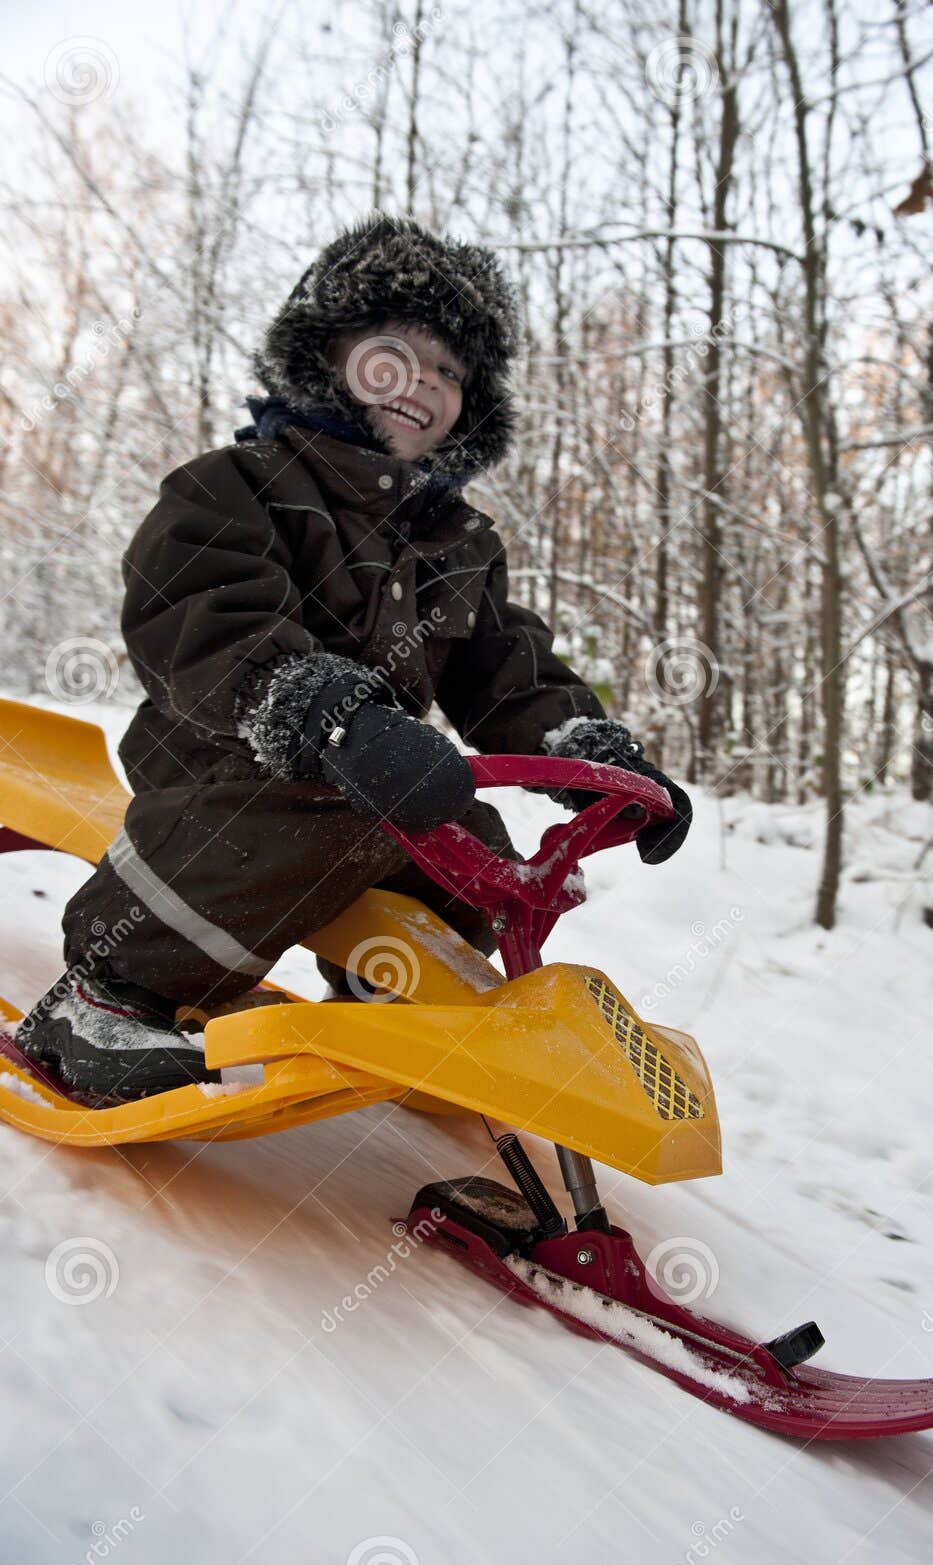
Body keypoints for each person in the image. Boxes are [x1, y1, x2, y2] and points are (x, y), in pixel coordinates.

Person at [15, 212, 692, 1100]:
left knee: (470, 850)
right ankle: (108, 995)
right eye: (397, 353)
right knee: (325, 818)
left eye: (451, 371)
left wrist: (584, 748)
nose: (425, 385)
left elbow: (501, 667)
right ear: (329, 352)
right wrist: (315, 706)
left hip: (378, 772)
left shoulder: (455, 543)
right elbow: (200, 612)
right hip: (224, 750)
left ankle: (391, 1000)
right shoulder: (240, 484)